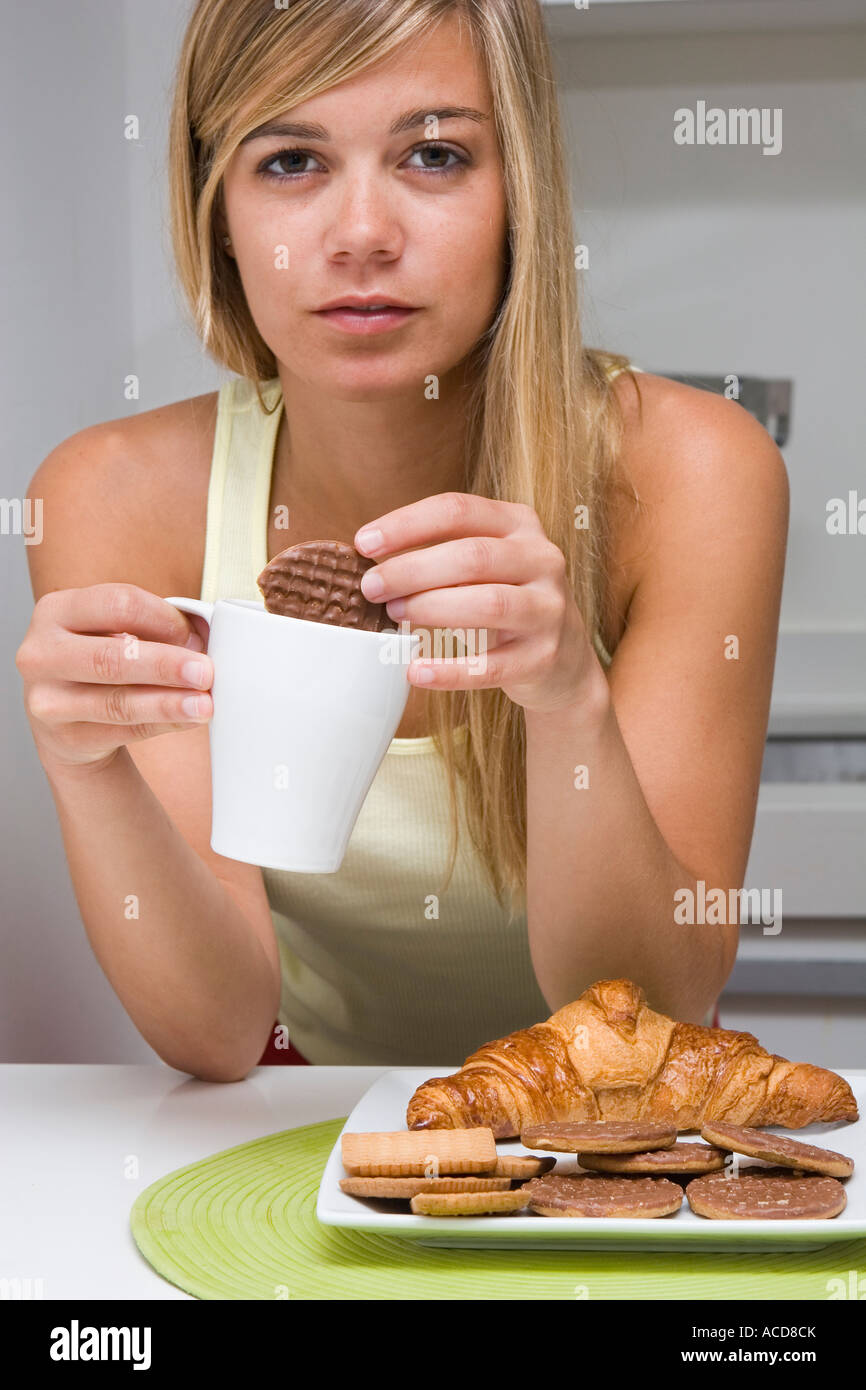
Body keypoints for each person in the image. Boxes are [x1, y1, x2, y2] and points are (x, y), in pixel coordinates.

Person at [16, 0, 788, 1079]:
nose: (361, 234)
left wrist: (568, 701)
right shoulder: (113, 493)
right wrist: (86, 773)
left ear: (517, 188)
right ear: (216, 212)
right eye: (290, 161)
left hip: (608, 1143)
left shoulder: (697, 469)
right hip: (294, 1145)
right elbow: (219, 1031)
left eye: (433, 154)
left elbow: (648, 1010)